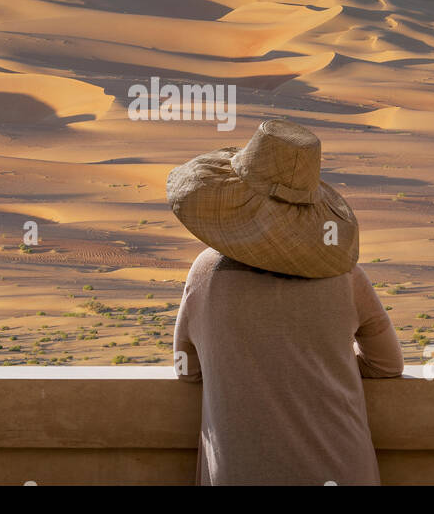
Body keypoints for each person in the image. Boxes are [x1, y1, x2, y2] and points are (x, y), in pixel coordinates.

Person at [167, 117, 404, 485]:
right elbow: (388, 364)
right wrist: (319, 363)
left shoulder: (206, 274)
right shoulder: (344, 277)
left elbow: (188, 369)